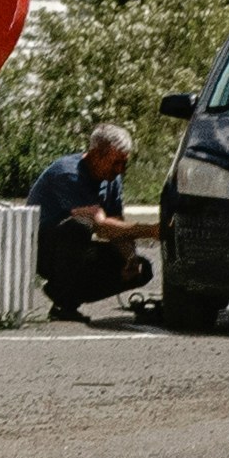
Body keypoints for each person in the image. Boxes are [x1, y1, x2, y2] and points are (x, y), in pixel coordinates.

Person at [30, 124, 159, 318]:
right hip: (44, 250)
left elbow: (115, 222)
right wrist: (150, 230)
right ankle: (62, 299)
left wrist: (129, 257)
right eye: (116, 163)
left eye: (124, 164)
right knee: (81, 226)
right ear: (96, 155)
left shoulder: (111, 178)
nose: (120, 170)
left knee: (142, 269)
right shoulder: (69, 174)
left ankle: (69, 296)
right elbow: (101, 226)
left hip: (77, 249)